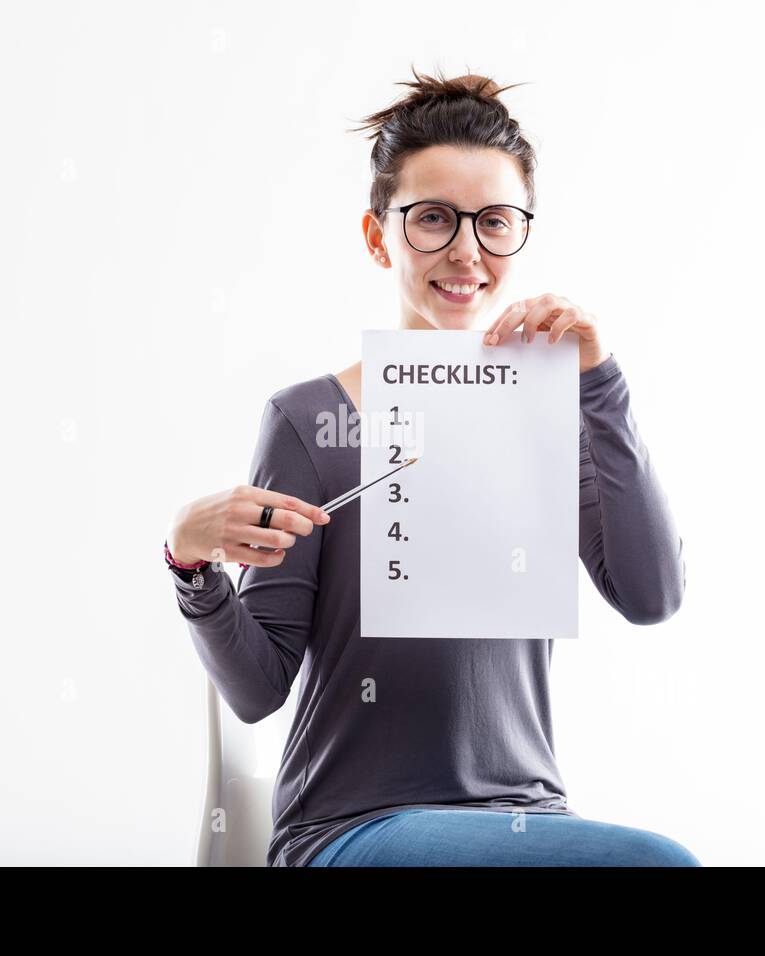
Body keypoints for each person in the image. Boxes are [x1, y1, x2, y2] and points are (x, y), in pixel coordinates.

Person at [165, 66, 697, 867]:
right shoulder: (313, 421)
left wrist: (602, 386)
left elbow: (653, 596)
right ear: (379, 235)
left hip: (530, 819)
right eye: (434, 219)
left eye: (494, 222)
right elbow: (257, 689)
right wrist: (189, 560)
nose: (466, 251)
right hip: (350, 831)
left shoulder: (553, 414)